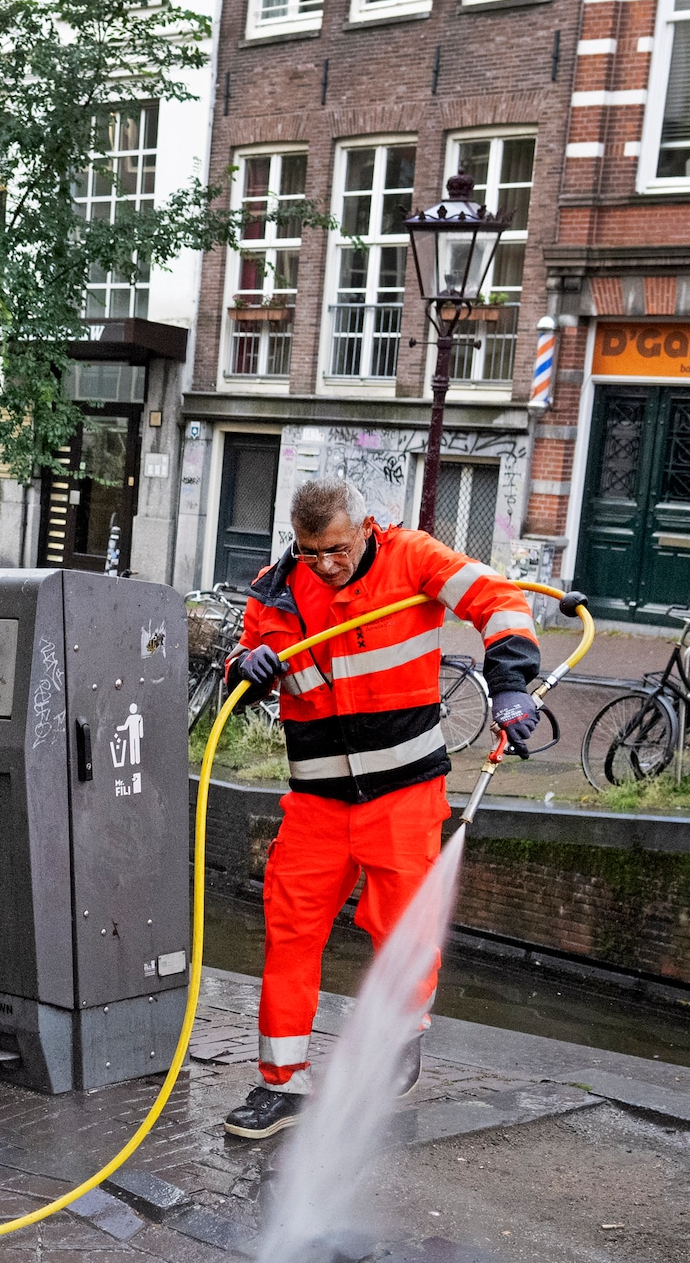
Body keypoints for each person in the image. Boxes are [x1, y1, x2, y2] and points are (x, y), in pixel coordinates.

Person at [219, 479, 541, 1139]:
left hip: (402, 795)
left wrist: (510, 685)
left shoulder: (413, 559)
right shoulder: (278, 586)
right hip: (317, 803)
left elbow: (499, 601)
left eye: (335, 549)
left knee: (402, 931)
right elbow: (244, 664)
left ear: (364, 528)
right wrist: (244, 669)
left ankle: (400, 1040)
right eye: (310, 552)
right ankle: (283, 1084)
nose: (325, 565)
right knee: (290, 933)